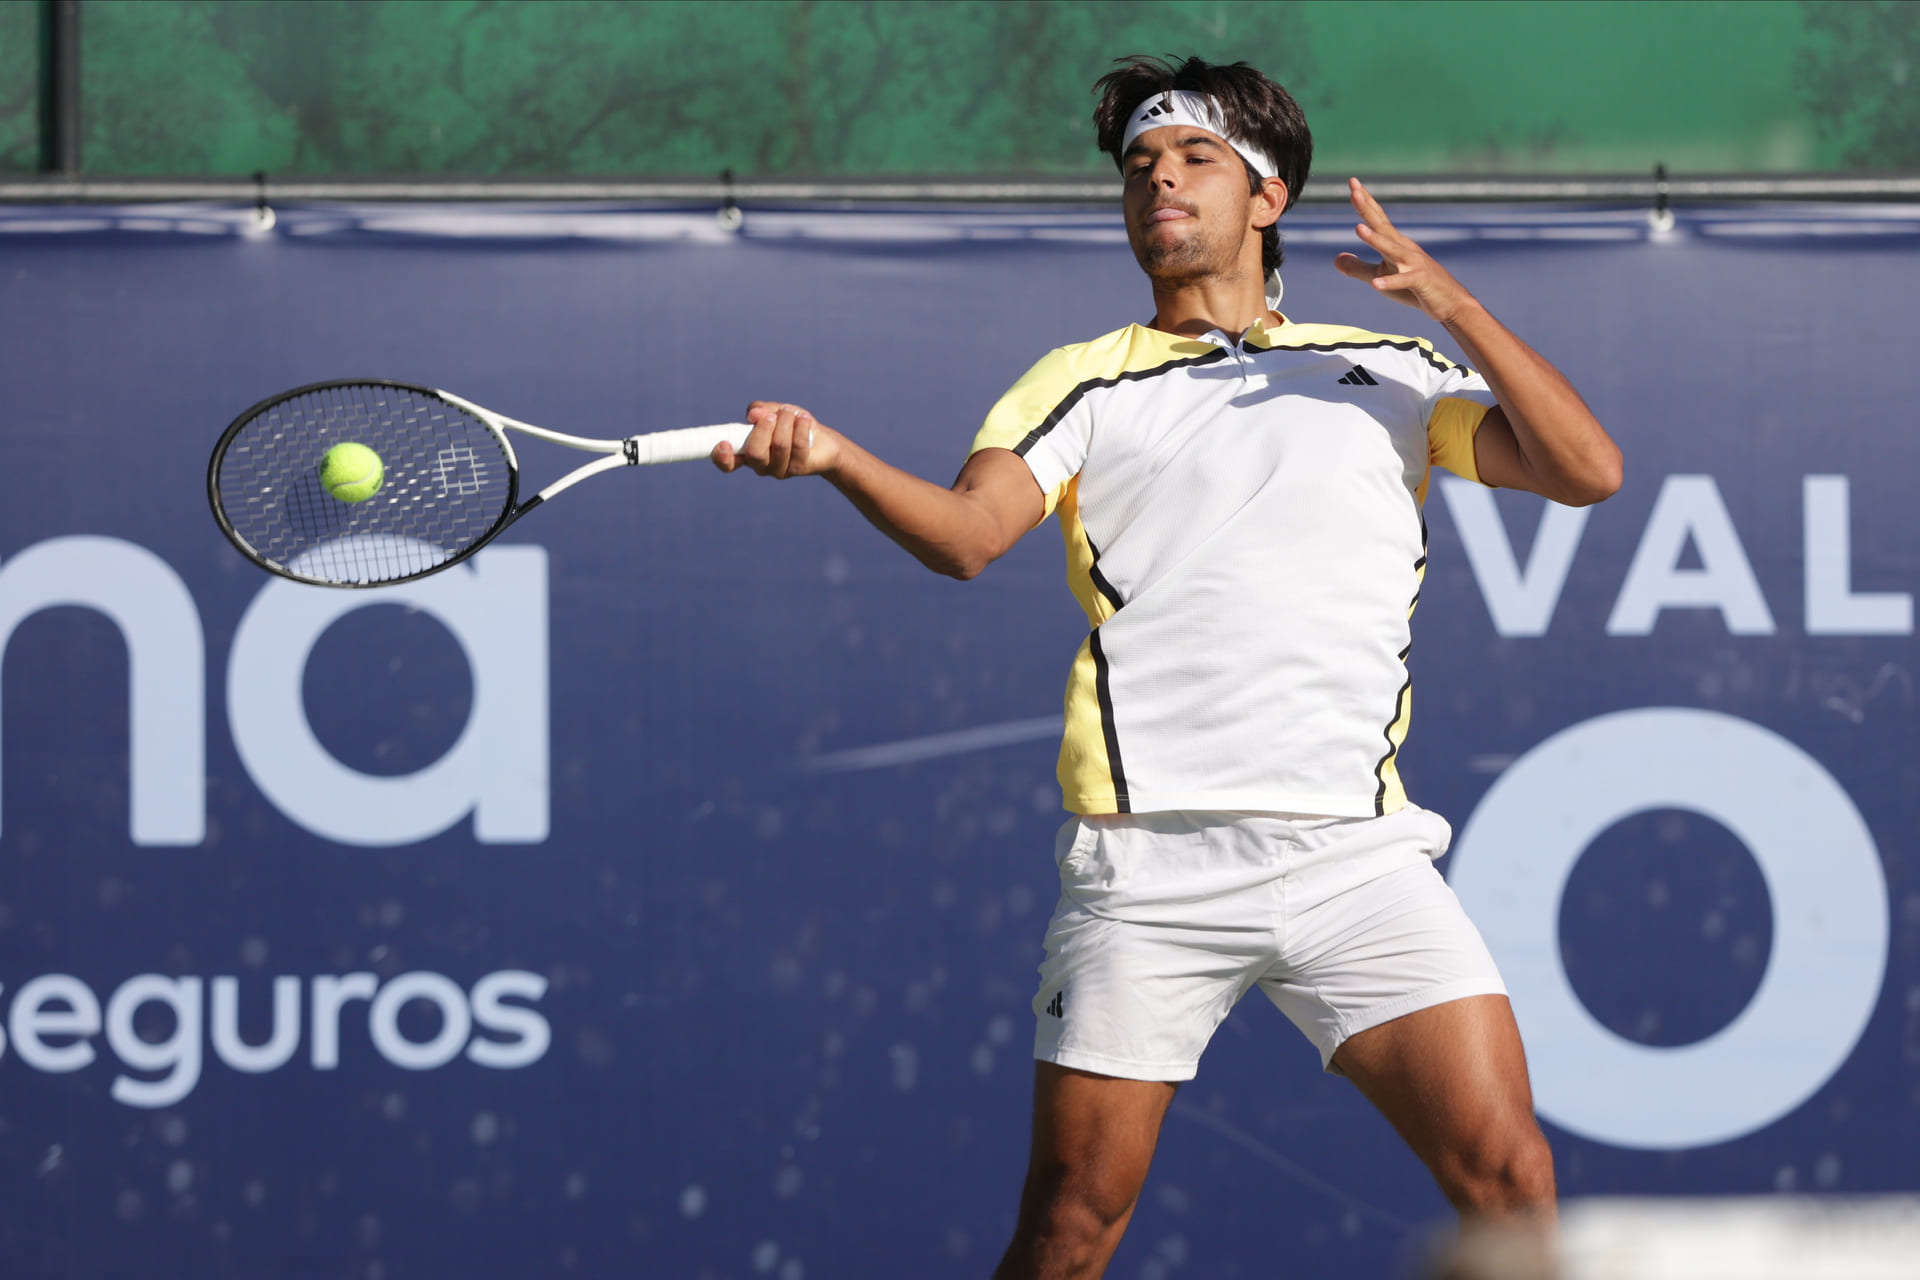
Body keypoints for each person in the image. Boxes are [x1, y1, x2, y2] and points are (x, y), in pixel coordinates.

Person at [714, 54, 1621, 1280]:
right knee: (1072, 1226)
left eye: (1196, 158)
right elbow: (968, 536)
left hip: (1357, 859)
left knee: (1512, 1179)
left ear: (1268, 195)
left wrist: (1452, 305)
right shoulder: (1082, 380)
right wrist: (835, 456)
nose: (1160, 181)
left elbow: (1587, 470)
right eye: (1141, 165)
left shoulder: (1395, 370)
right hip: (1149, 866)